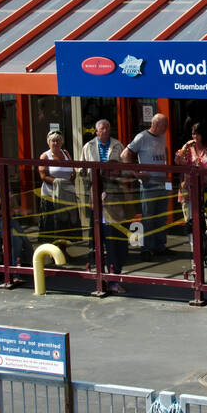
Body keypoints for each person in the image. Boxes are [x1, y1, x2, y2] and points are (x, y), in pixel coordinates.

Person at [80, 119, 128, 293]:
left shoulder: (117, 145)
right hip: (95, 192)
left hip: (114, 196)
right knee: (97, 239)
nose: (105, 130)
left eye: (108, 127)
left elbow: (123, 168)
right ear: (96, 131)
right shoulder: (88, 146)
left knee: (114, 240)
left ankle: (114, 279)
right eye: (102, 128)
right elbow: (82, 169)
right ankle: (100, 278)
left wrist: (113, 179)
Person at [122, 113, 171, 258]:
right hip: (149, 184)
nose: (166, 128)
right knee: (148, 217)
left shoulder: (162, 137)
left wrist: (166, 167)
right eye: (164, 125)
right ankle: (147, 248)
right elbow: (125, 154)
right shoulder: (142, 137)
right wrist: (136, 173)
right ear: (155, 124)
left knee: (161, 216)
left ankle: (160, 246)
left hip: (161, 182)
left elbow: (165, 151)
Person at [173, 120, 207, 225]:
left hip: (205, 192)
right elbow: (178, 161)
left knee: (205, 222)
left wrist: (202, 171)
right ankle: (192, 242)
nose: (194, 136)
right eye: (193, 133)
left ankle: (203, 241)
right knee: (190, 222)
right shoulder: (188, 149)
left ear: (203, 134)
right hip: (188, 191)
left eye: (197, 133)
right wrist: (184, 147)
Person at [36, 129, 77, 242]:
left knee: (66, 225)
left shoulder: (66, 153)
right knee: (53, 225)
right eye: (53, 141)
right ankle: (52, 252)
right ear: (49, 142)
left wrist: (70, 181)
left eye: (58, 141)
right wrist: (59, 182)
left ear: (61, 142)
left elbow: (73, 171)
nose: (55, 143)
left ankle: (64, 249)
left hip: (67, 195)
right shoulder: (45, 156)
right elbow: (43, 176)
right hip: (51, 196)